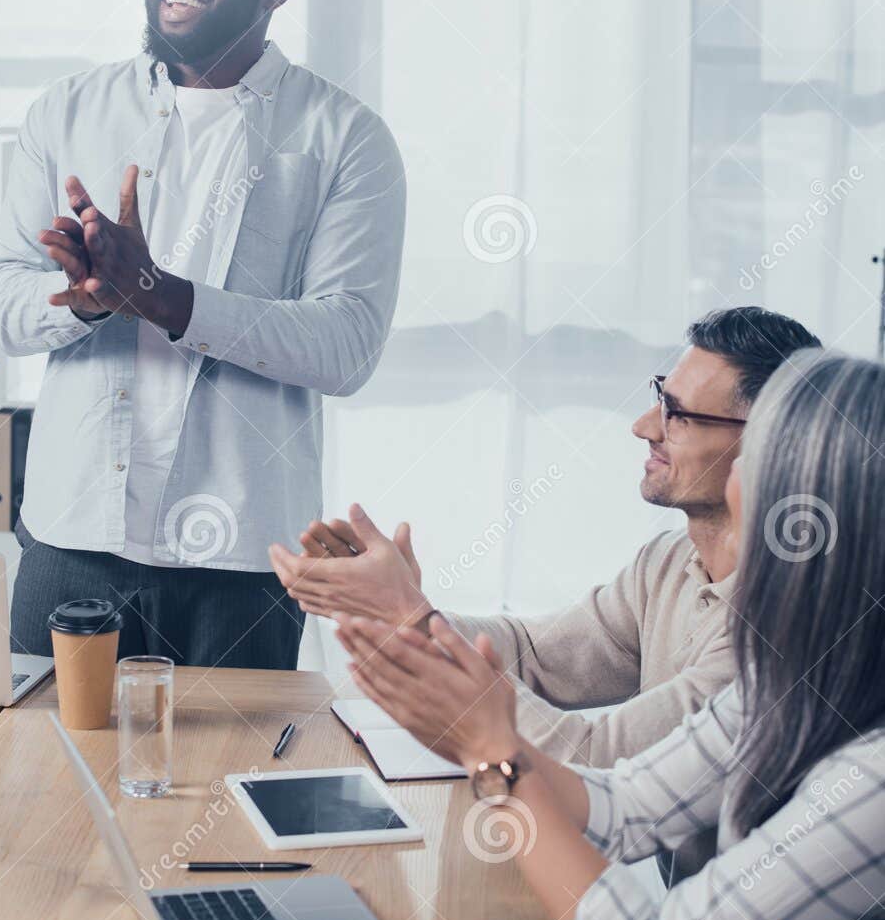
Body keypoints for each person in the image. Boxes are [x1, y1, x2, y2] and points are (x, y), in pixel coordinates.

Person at [335, 349, 885, 920]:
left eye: (755, 468)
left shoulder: (868, 779)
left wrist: (496, 753)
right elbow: (625, 806)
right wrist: (474, 717)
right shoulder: (799, 677)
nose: (734, 489)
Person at [0, 0, 405, 668]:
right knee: (38, 780)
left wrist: (159, 295)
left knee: (223, 791)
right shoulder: (67, 111)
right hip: (69, 540)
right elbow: (0, 302)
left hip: (240, 563)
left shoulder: (345, 137)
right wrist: (84, 305)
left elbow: (346, 346)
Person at [271, 307, 821, 766]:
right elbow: (532, 655)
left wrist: (408, 614)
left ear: (769, 440)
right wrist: (396, 612)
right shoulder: (669, 561)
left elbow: (601, 764)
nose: (644, 428)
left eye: (677, 415)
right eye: (659, 398)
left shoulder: (778, 626)